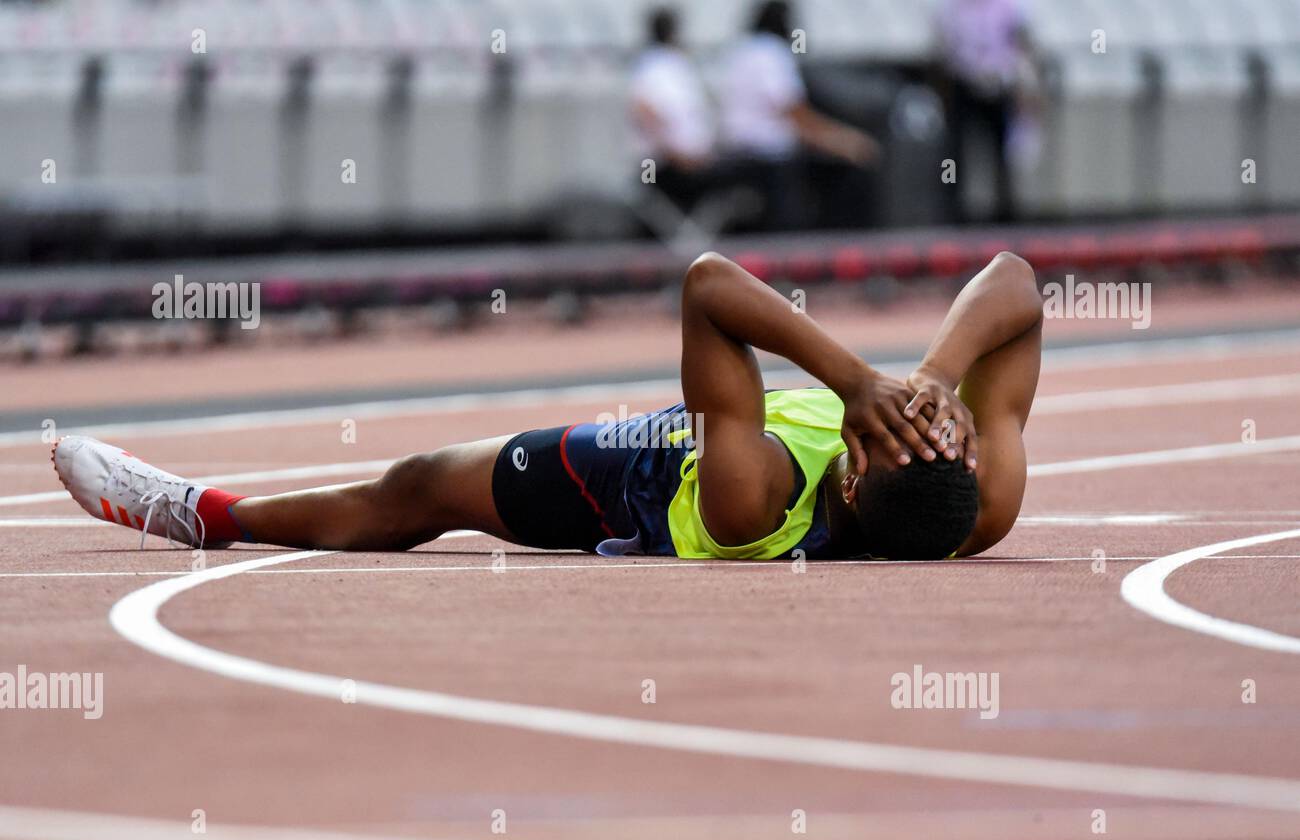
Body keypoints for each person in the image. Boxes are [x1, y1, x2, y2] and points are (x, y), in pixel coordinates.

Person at [53, 251, 1043, 561]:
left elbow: (705, 286)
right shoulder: (977, 505)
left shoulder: (759, 496)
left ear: (856, 468)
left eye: (901, 429)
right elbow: (1016, 283)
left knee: (416, 491)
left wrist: (856, 384)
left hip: (648, 473)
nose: (913, 419)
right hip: (735, 424)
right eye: (935, 426)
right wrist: (937, 378)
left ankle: (202, 515)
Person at [718, 0, 879, 230]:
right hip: (767, 155)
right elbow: (794, 113)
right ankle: (837, 242)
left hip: (735, 150)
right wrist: (842, 141)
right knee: (849, 170)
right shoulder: (772, 53)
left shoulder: (741, 51)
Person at [934, 0, 1033, 223]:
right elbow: (945, 49)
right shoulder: (952, 7)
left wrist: (1022, 86)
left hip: (1000, 85)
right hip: (964, 83)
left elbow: (1022, 44)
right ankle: (954, 211)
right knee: (956, 152)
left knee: (1001, 151)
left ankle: (1006, 211)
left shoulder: (1010, 6)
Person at [629, 7, 716, 214]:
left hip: (690, 161)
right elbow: (645, 114)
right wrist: (678, 156)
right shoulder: (652, 67)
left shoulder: (676, 65)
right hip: (668, 166)